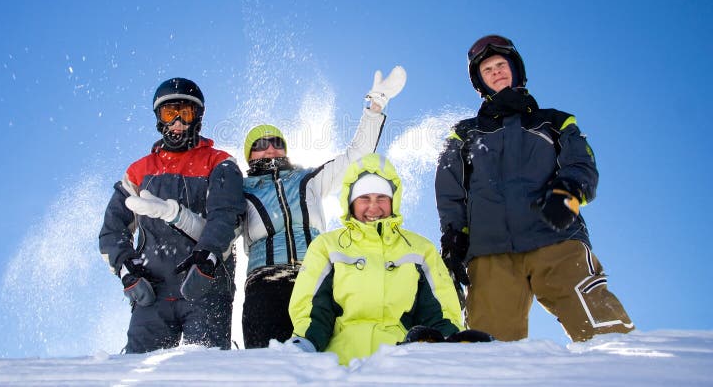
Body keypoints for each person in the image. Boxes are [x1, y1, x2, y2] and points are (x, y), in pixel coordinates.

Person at [435, 35, 635, 342]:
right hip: (491, 253)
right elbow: (450, 190)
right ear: (480, 82)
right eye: (487, 70)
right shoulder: (464, 134)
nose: (496, 72)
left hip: (555, 239)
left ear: (516, 69)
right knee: (488, 354)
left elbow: (581, 164)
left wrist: (567, 192)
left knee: (606, 334)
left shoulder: (554, 122)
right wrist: (453, 236)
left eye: (501, 65)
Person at [240, 67, 406, 349]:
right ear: (248, 153)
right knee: (266, 368)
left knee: (326, 363)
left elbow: (356, 156)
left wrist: (375, 107)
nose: (270, 149)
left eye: (276, 142)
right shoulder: (240, 190)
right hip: (264, 285)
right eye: (260, 144)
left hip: (316, 278)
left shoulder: (308, 180)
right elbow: (216, 227)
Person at [287, 154, 488, 366]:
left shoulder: (420, 249)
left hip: (402, 364)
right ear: (350, 201)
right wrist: (305, 343)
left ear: (394, 200)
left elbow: (438, 312)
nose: (373, 207)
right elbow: (313, 308)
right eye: (364, 198)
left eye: (381, 198)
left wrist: (451, 340)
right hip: (339, 364)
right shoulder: (327, 246)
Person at [99, 77, 245, 353]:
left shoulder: (219, 162)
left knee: (204, 372)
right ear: (159, 119)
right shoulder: (139, 171)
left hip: (205, 283)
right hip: (153, 291)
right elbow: (112, 228)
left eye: (185, 113)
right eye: (170, 113)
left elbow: (227, 214)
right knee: (141, 368)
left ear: (197, 118)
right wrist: (126, 268)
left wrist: (209, 256)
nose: (177, 122)